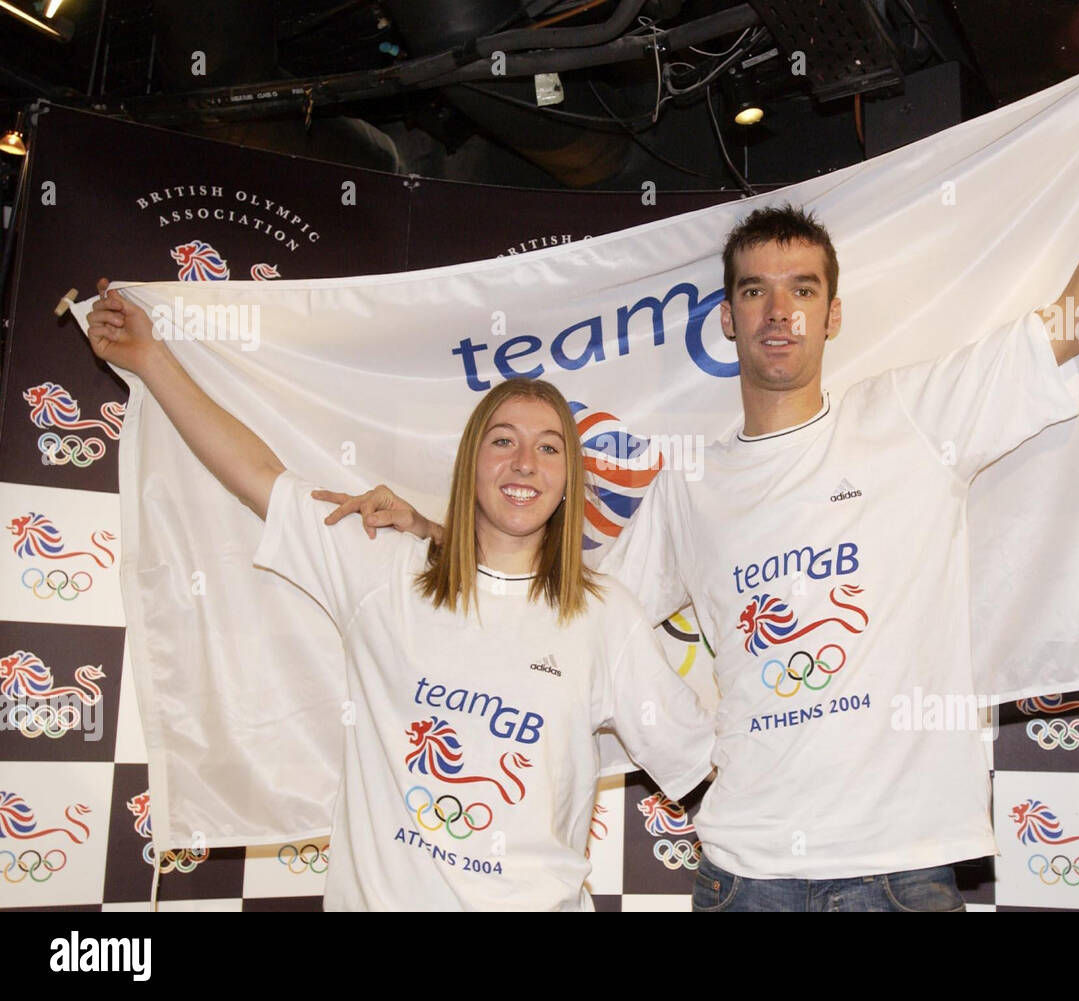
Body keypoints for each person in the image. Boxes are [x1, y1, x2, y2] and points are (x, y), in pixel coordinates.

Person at [327, 17, 1079, 911]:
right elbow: (563, 597)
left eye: (803, 290)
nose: (778, 312)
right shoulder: (689, 484)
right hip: (744, 869)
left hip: (904, 867)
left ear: (832, 315)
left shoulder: (916, 415)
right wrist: (439, 529)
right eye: (755, 291)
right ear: (727, 319)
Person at [82, 283, 715, 910]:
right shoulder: (381, 568)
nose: (525, 462)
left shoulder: (604, 619)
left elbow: (700, 763)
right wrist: (153, 360)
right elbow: (258, 477)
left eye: (549, 448)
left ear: (569, 480)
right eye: (503, 440)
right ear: (471, 462)